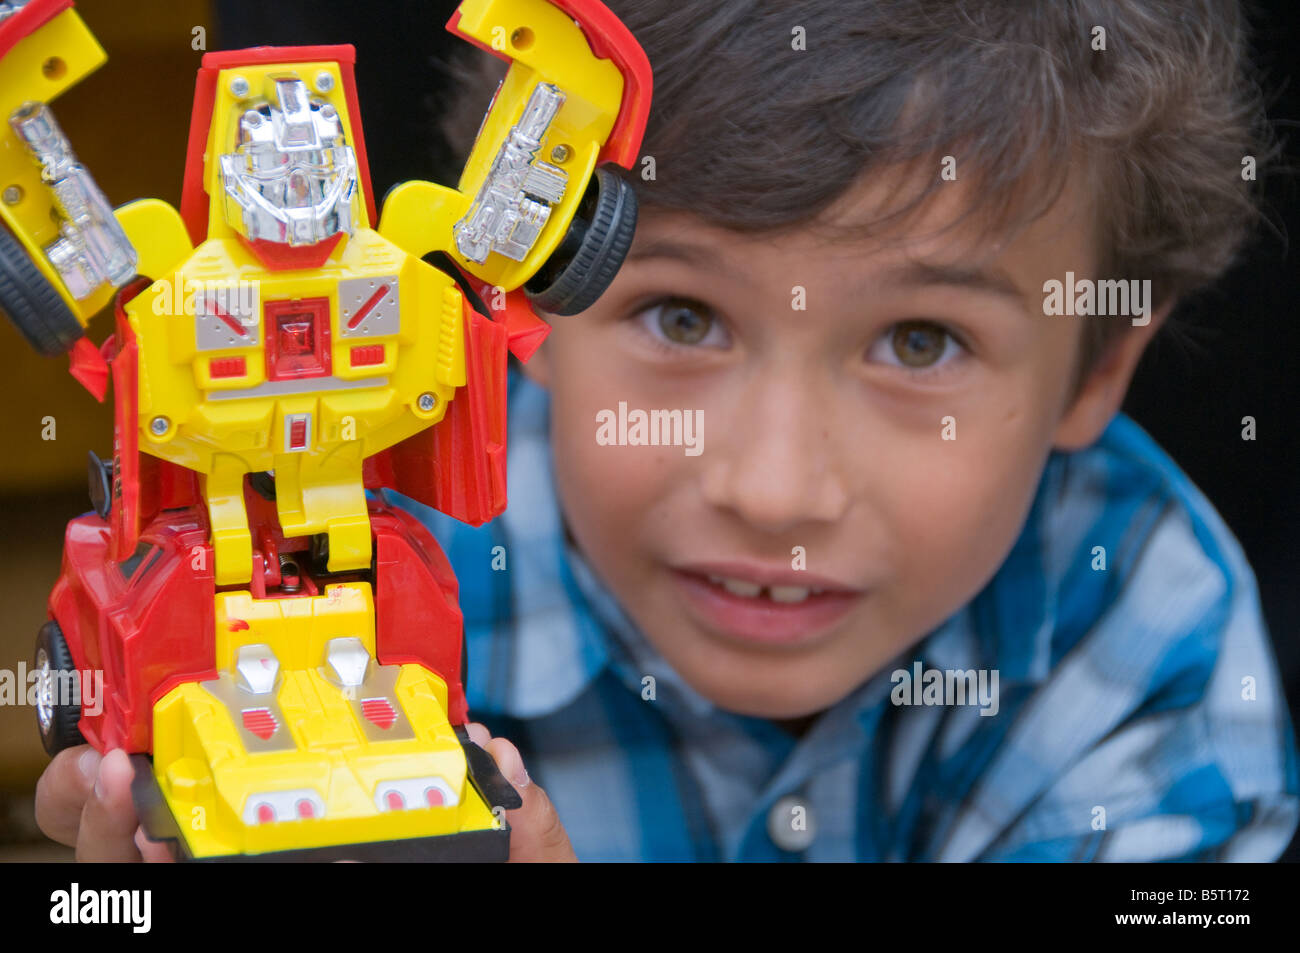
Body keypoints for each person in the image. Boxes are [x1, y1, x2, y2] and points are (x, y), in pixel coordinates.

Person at [37, 0, 1299, 861]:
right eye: (683, 315)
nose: (771, 486)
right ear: (523, 296)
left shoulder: (1146, 634)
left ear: (1097, 363)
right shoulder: (370, 551)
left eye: (920, 343)